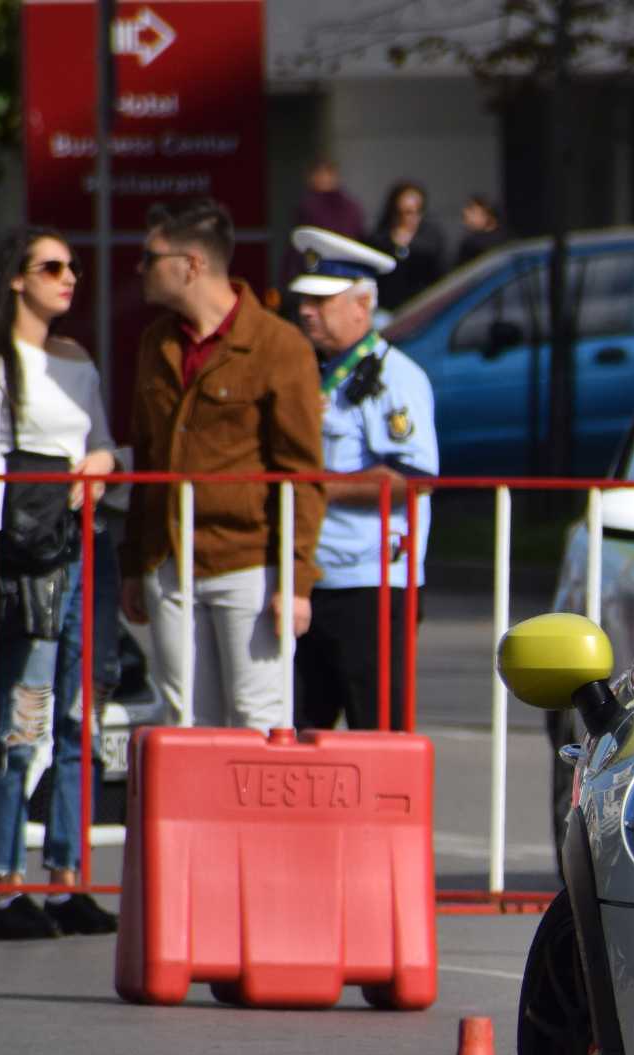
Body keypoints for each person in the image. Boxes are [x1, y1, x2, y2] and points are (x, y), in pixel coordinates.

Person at [0, 225, 121, 940]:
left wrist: (104, 464)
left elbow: (107, 442)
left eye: (74, 267)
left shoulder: (76, 360)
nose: (69, 278)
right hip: (33, 562)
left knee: (81, 718)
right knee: (22, 723)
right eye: (52, 267)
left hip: (91, 548)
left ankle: (68, 879)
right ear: (16, 279)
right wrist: (60, 479)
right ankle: (6, 887)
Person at [120, 197, 326, 731]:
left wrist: (296, 580)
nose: (138, 268)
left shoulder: (278, 346)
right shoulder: (155, 344)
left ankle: (255, 821)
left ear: (191, 265)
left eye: (149, 257)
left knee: (257, 719)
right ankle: (193, 820)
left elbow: (302, 474)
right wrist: (132, 565)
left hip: (247, 563)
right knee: (183, 720)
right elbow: (146, 458)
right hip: (169, 560)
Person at [286, 227, 438, 731]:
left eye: (322, 301)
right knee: (300, 733)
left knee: (378, 733)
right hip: (310, 576)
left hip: (371, 583)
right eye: (305, 299)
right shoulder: (306, 368)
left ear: (362, 306)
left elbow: (412, 478)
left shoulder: (396, 377)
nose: (308, 310)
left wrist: (312, 487)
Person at [278, 158, 368, 290]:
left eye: (325, 173)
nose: (321, 178)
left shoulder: (348, 208)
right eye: (317, 174)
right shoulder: (307, 206)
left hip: (333, 274)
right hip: (322, 273)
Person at [368, 181, 446, 310]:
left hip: (422, 309)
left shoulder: (431, 240)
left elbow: (440, 278)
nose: (407, 218)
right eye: (401, 212)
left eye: (414, 212)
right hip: (387, 309)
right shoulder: (379, 239)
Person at [455, 194, 510, 266]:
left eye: (473, 213)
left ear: (485, 208)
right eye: (466, 217)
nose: (470, 220)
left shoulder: (508, 229)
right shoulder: (470, 246)